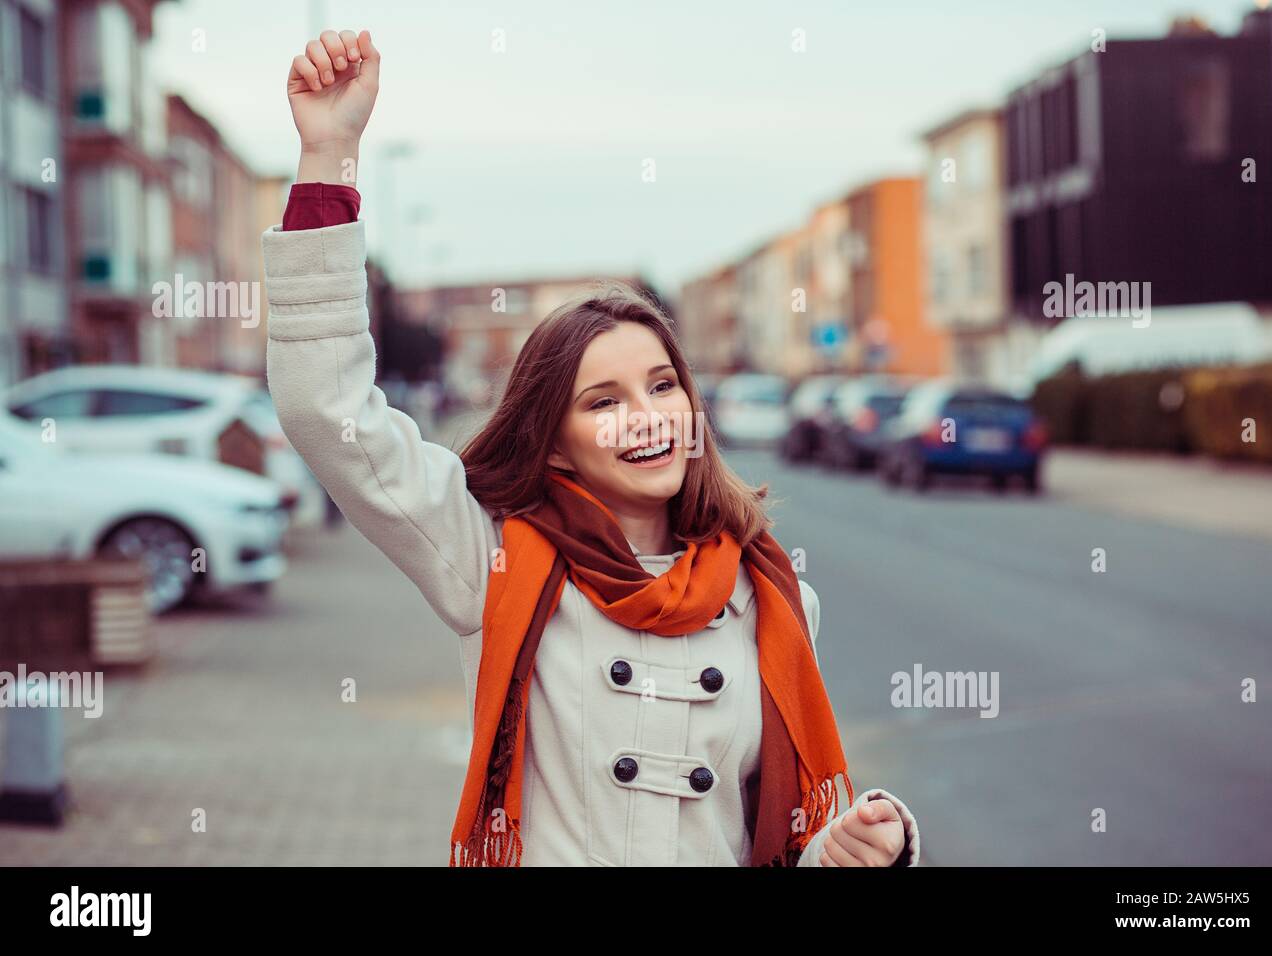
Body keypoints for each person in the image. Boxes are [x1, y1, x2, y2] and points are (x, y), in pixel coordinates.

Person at [263, 28, 920, 867]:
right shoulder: (494, 563)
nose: (646, 416)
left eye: (661, 385)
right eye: (602, 401)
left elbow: (774, 835)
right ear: (557, 444)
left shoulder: (774, 601)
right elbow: (328, 411)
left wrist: (854, 845)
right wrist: (330, 155)